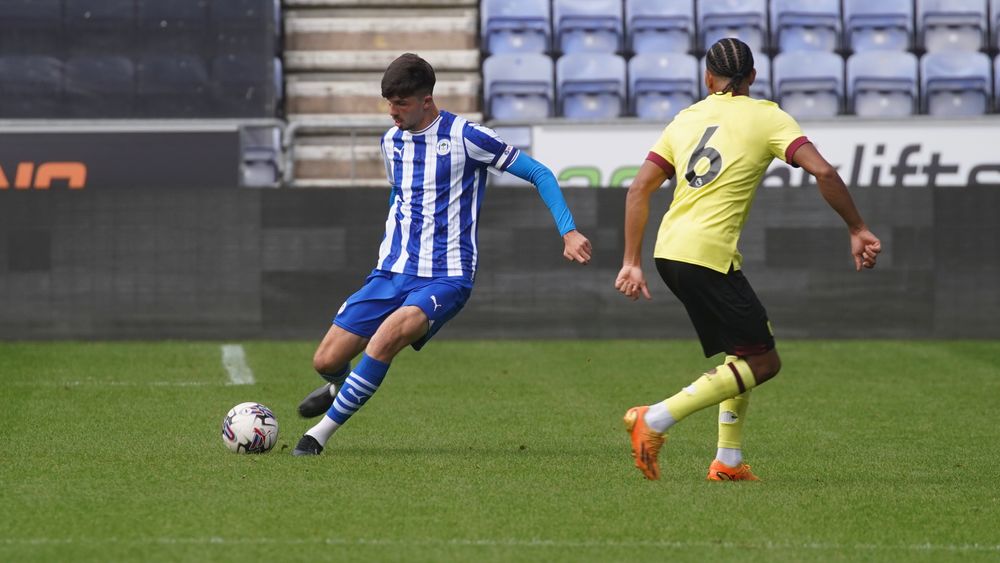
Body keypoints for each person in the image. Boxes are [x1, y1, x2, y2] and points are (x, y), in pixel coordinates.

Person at [292, 53, 592, 456]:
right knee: (325, 359)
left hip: (446, 276)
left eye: (401, 103)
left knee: (386, 339)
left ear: (426, 101)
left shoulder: (468, 137)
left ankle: (318, 437)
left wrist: (568, 230)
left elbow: (539, 173)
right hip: (391, 272)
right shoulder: (390, 141)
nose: (393, 112)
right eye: (389, 103)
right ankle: (336, 385)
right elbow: (401, 195)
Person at [615, 38, 882, 481]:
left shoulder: (685, 119)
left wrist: (631, 261)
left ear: (707, 78)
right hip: (706, 255)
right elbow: (825, 172)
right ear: (753, 77)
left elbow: (638, 188)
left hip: (669, 251)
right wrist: (857, 228)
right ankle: (655, 419)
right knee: (764, 363)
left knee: (744, 351)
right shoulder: (767, 117)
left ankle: (728, 462)